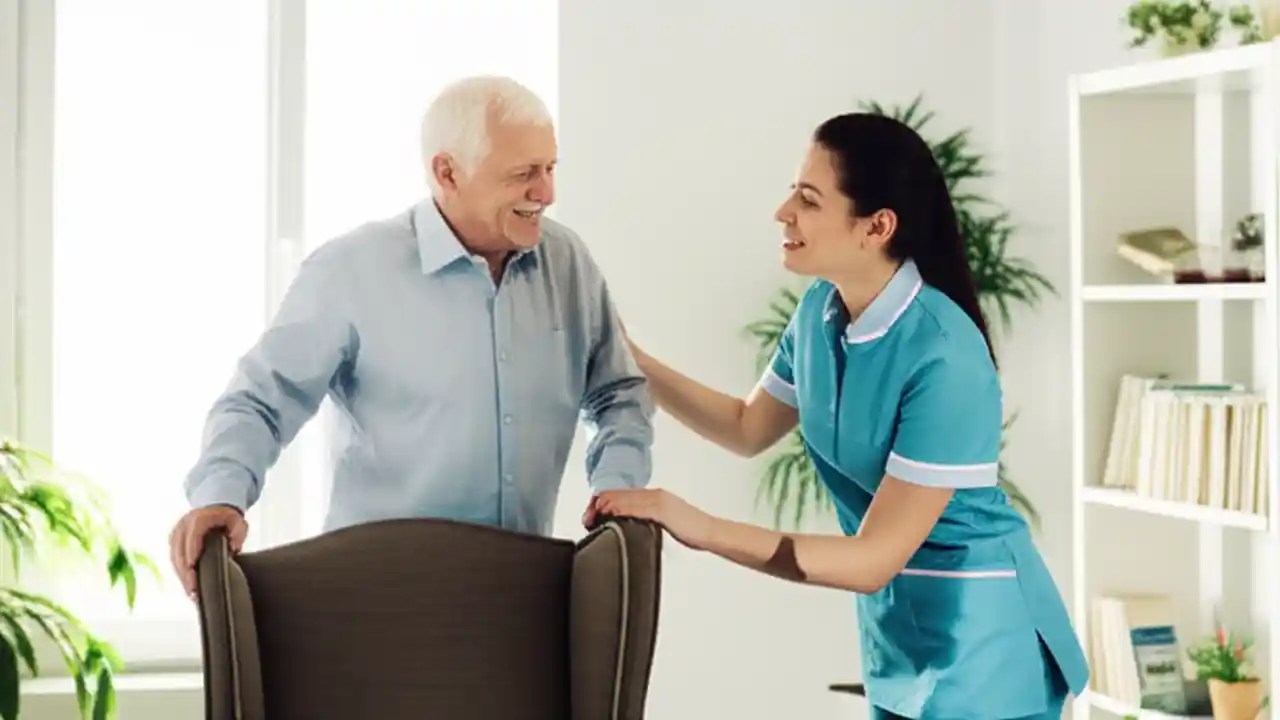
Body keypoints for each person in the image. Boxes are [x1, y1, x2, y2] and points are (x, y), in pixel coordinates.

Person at [591, 113, 1089, 719]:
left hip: (985, 647)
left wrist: (695, 523)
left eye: (808, 199)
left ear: (876, 226)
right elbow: (748, 428)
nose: (783, 212)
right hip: (896, 638)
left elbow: (874, 558)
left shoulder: (946, 355)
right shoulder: (819, 313)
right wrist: (631, 361)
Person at [170, 75, 653, 598]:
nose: (547, 193)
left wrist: (616, 491)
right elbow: (261, 399)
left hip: (525, 596)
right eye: (524, 174)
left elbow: (618, 394)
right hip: (380, 597)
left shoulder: (568, 263)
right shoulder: (353, 270)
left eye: (551, 168)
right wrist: (222, 495)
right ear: (447, 173)